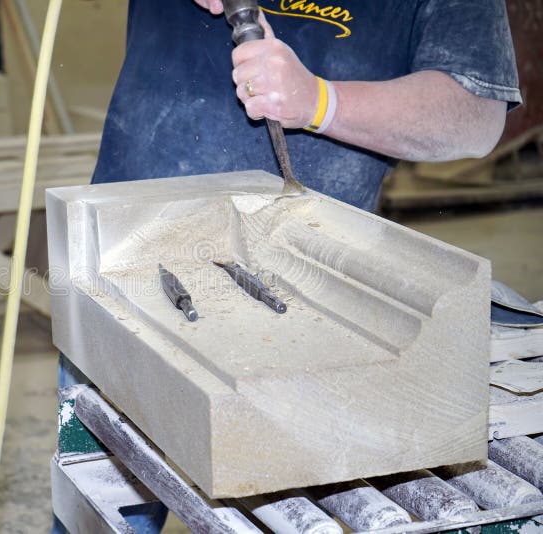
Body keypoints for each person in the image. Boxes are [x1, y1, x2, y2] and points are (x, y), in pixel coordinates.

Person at [53, 0, 520, 531]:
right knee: (108, 506)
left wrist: (322, 102)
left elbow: (475, 115)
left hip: (306, 293)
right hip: (124, 265)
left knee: (282, 495)